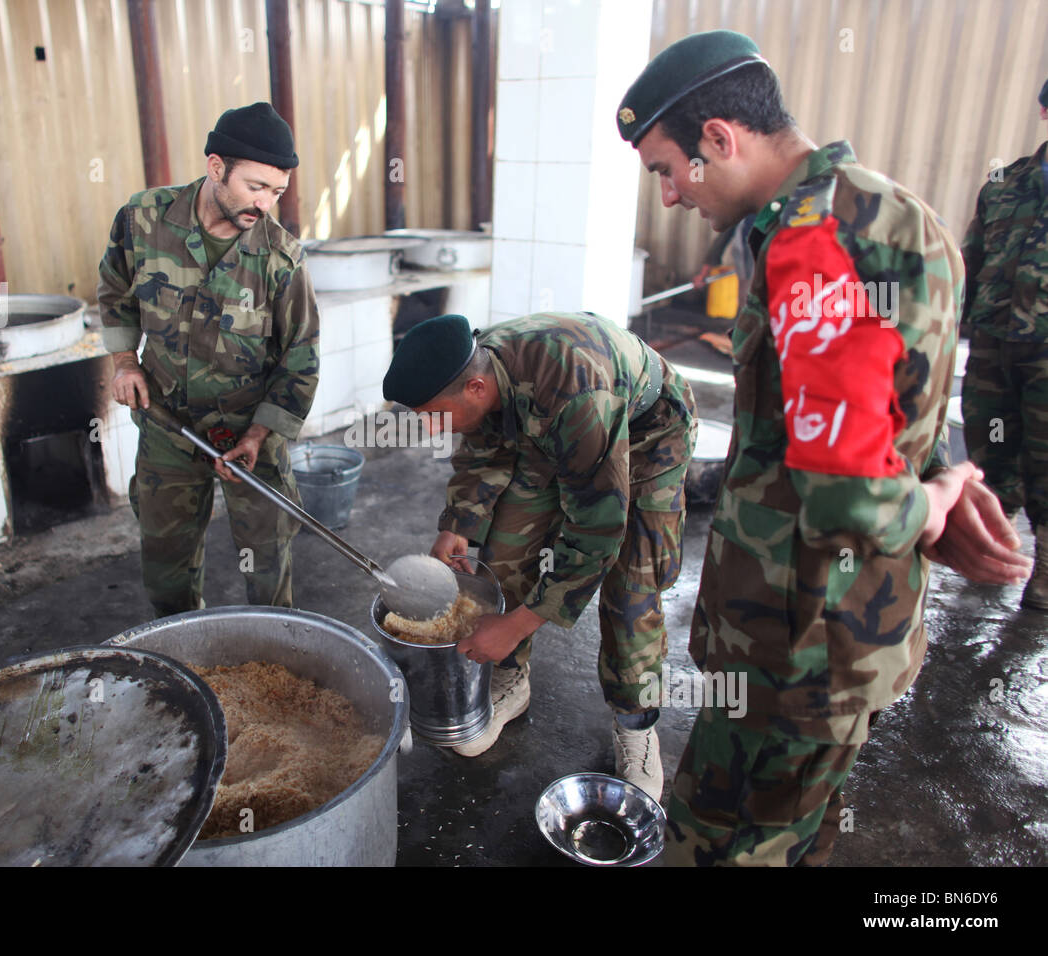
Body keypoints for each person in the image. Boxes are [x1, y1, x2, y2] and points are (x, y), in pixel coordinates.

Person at [618, 29, 1031, 865]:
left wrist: (938, 502)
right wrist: (939, 472)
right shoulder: (877, 212)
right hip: (825, 637)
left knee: (725, 843)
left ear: (720, 141)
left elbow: (848, 493)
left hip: (798, 642)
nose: (668, 198)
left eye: (667, 170)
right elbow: (893, 410)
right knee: (800, 832)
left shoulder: (816, 241)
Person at [383, 311, 696, 797]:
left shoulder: (575, 391)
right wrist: (459, 524)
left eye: (432, 415)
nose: (428, 430)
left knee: (632, 588)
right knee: (504, 553)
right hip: (553, 432)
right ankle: (511, 678)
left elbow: (596, 532)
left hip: (649, 434)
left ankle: (637, 724)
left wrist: (515, 625)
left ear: (476, 389)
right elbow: (484, 451)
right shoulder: (476, 370)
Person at [97, 102, 320, 616]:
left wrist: (259, 436)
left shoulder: (281, 259)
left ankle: (273, 660)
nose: (265, 204)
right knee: (165, 558)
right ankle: (184, 655)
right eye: (255, 187)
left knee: (266, 561)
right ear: (216, 167)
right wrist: (125, 362)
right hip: (166, 427)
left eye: (277, 192)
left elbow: (300, 358)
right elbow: (115, 291)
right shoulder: (143, 220)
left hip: (249, 436)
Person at [960, 80, 1048, 610]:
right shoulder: (1003, 183)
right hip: (993, 342)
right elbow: (969, 259)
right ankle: (995, 543)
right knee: (990, 445)